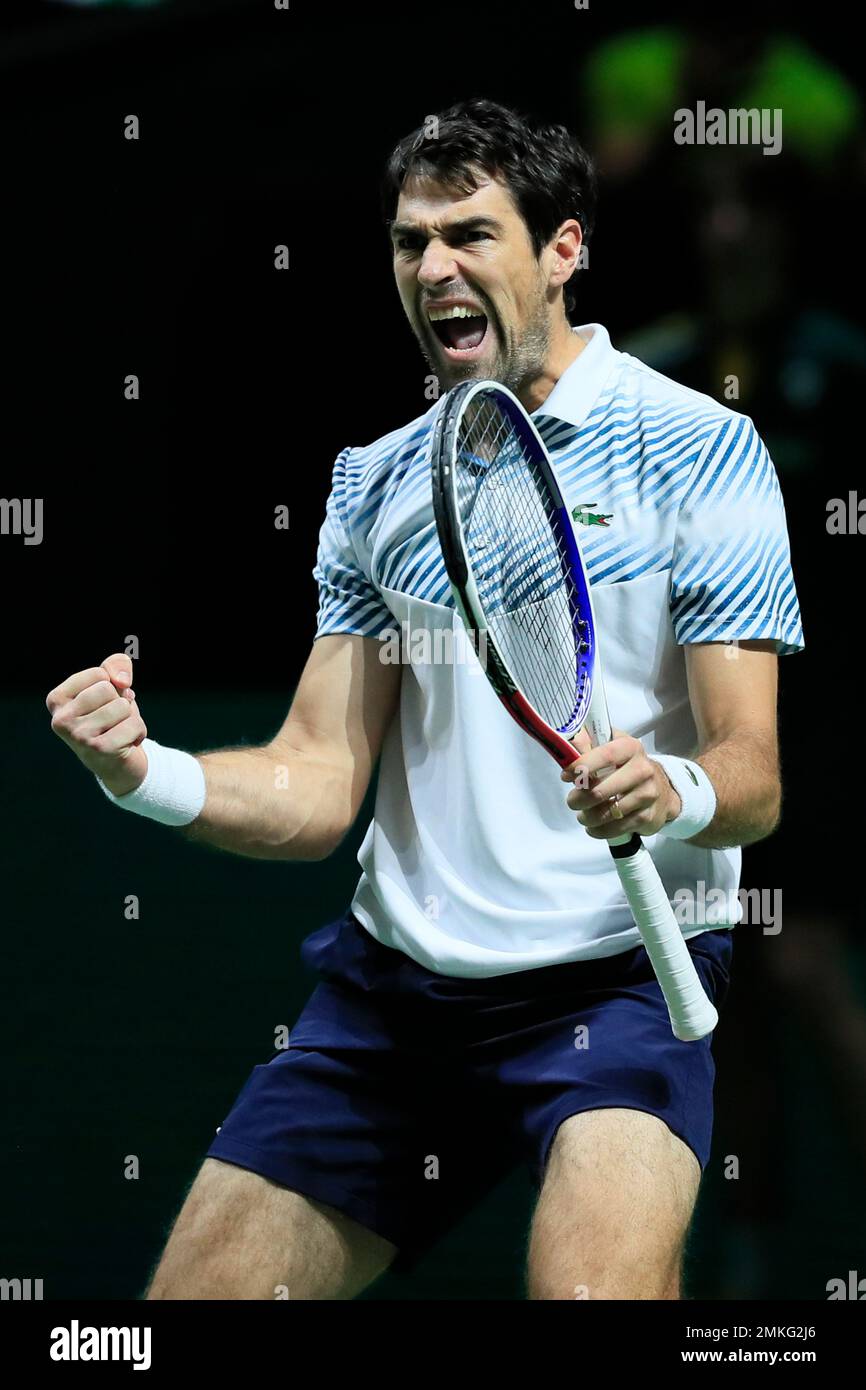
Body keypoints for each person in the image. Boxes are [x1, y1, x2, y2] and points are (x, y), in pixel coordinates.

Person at [45, 98, 802, 1300]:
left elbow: (751, 777)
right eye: (409, 242)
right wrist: (143, 771)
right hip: (395, 997)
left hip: (615, 985)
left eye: (470, 234)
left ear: (562, 249)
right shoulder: (375, 482)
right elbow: (313, 783)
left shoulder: (698, 448)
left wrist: (675, 785)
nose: (434, 267)